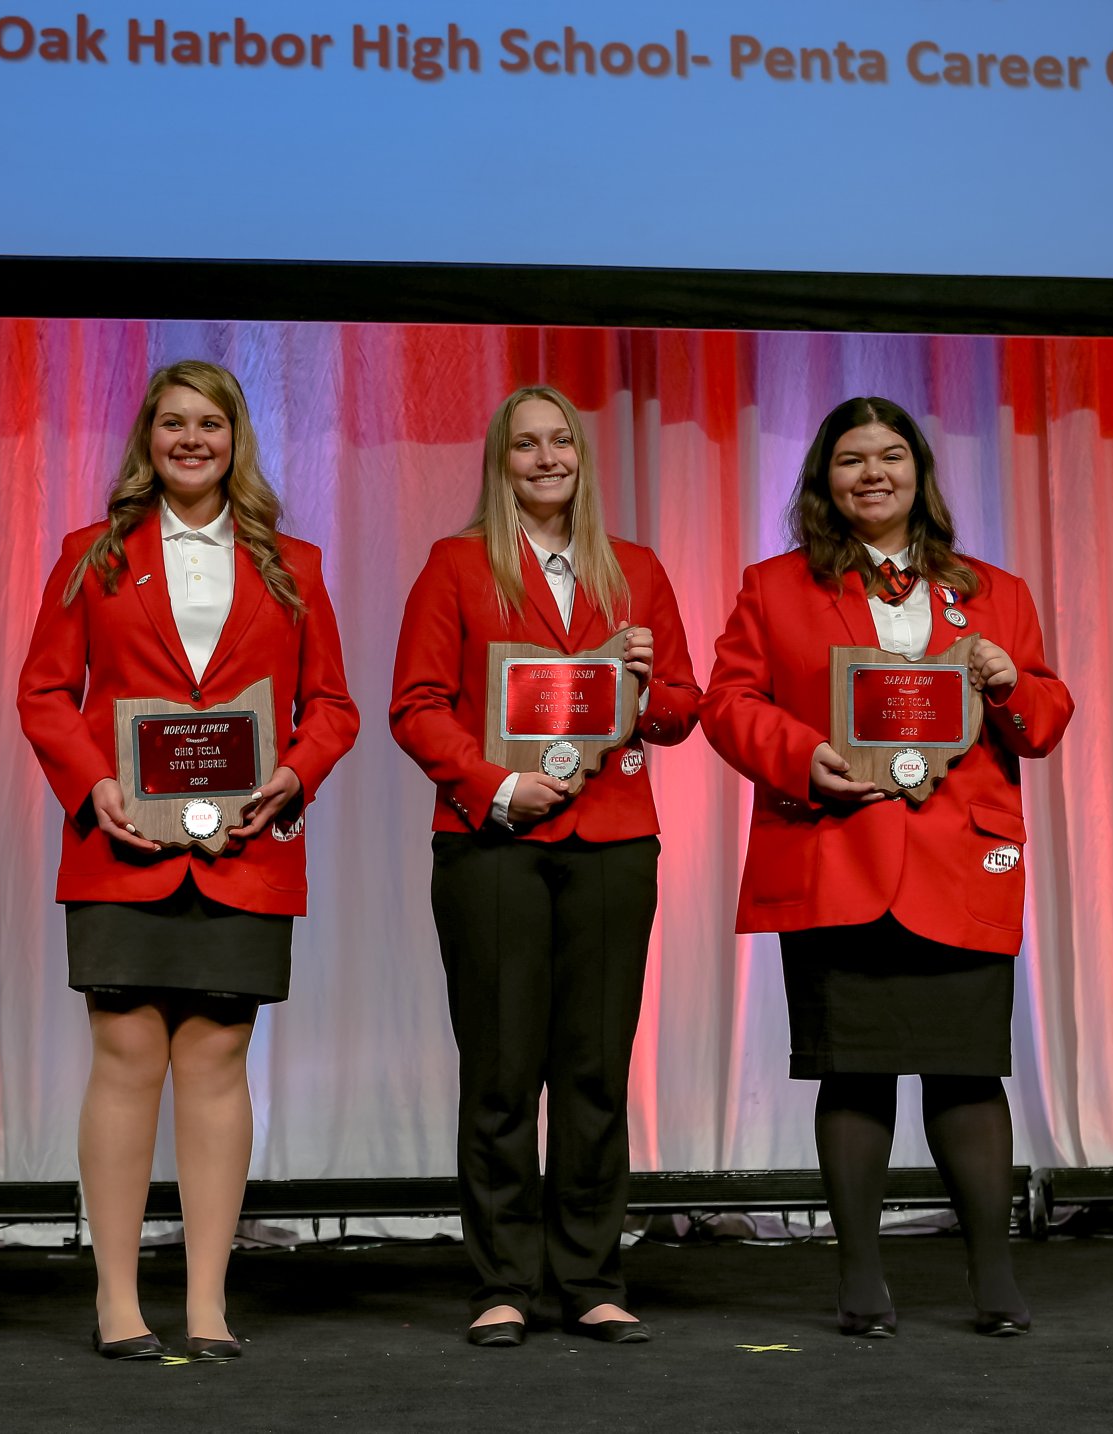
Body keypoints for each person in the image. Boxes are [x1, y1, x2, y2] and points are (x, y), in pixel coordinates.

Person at [701, 395, 1073, 1339]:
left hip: (961, 860)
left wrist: (1009, 682)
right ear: (824, 479)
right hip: (835, 853)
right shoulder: (773, 586)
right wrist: (799, 756)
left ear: (920, 474)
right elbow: (728, 702)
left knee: (966, 1074)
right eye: (851, 459)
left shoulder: (998, 591)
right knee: (853, 1074)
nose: (873, 474)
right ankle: (860, 1276)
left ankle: (994, 1277)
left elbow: (1048, 719)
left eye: (892, 456)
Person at [17, 359, 358, 1363]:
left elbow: (330, 707)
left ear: (235, 437)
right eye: (172, 423)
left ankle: (206, 1302)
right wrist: (94, 787)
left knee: (215, 1062)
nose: (190, 440)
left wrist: (292, 775)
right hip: (120, 846)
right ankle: (117, 1300)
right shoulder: (92, 555)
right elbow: (43, 693)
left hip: (243, 849)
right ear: (148, 439)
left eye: (209, 422)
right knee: (125, 1060)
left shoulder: (293, 563)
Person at [389, 385, 699, 1347]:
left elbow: (684, 710)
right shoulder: (454, 567)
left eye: (561, 440)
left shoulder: (637, 571)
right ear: (501, 462)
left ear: (582, 457)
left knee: (597, 1072)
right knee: (499, 1071)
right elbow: (416, 705)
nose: (546, 457)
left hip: (612, 843)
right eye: (525, 444)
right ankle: (504, 1283)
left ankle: (593, 1278)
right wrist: (495, 785)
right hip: (491, 846)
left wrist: (646, 691)